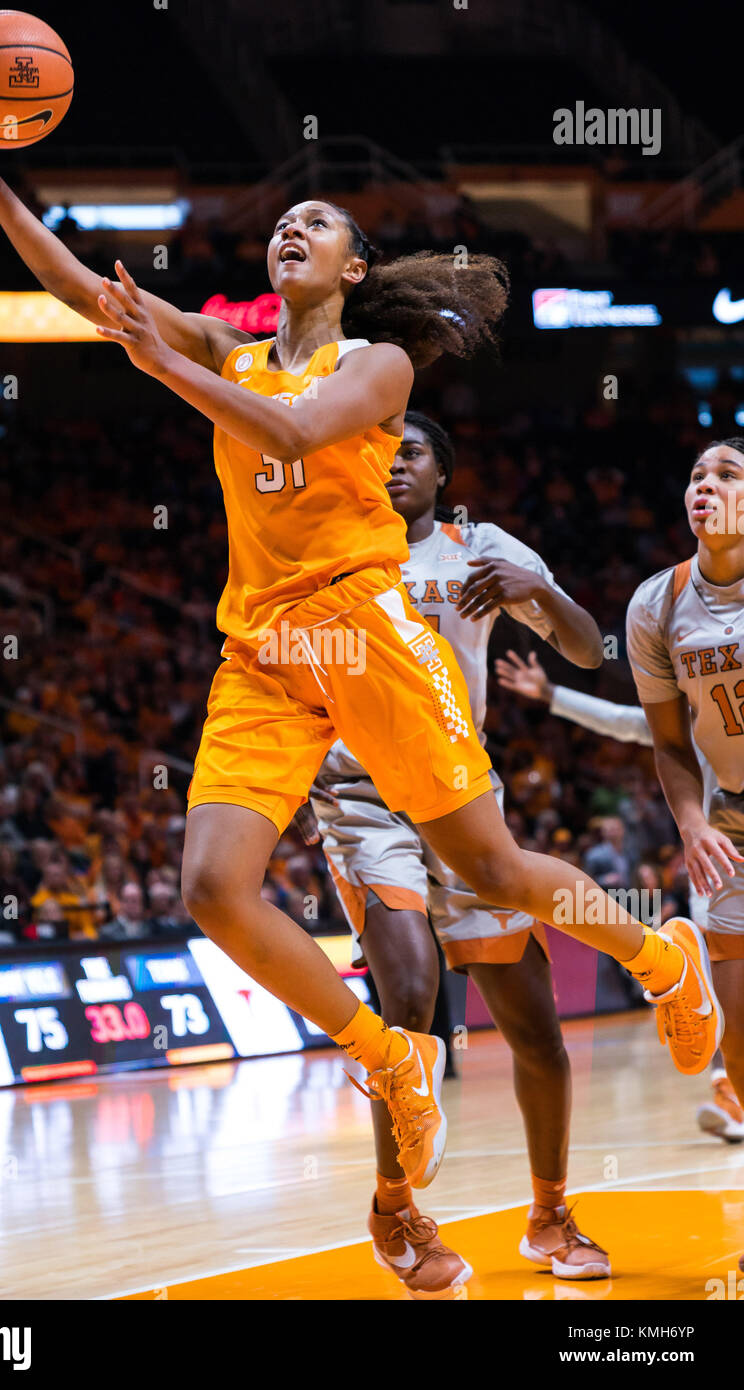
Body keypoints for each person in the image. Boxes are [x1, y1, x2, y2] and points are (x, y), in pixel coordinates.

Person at [0, 71, 722, 1195]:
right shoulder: (226, 348)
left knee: (487, 864)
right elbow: (73, 289)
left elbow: (291, 436)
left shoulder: (377, 366)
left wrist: (165, 364)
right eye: (283, 222)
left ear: (353, 269)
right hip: (262, 648)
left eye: (316, 223)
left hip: (366, 626)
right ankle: (386, 1054)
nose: (290, 228)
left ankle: (657, 953)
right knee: (212, 887)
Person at [309, 412, 610, 1294]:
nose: (392, 464)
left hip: (462, 794)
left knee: (535, 1030)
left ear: (443, 473)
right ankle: (396, 1213)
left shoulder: (478, 549)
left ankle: (550, 1215)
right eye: (380, 451)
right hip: (364, 799)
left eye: (410, 452)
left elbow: (587, 650)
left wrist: (535, 588)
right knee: (409, 1001)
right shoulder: (332, 544)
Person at [498, 632, 744, 1149]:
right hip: (716, 864)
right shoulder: (682, 724)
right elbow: (618, 720)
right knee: (722, 986)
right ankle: (729, 1092)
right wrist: (550, 694)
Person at [626, 441, 744, 1265]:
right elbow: (668, 743)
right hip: (730, 820)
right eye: (698, 475)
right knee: (740, 1043)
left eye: (728, 474)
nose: (706, 485)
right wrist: (693, 824)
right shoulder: (657, 604)